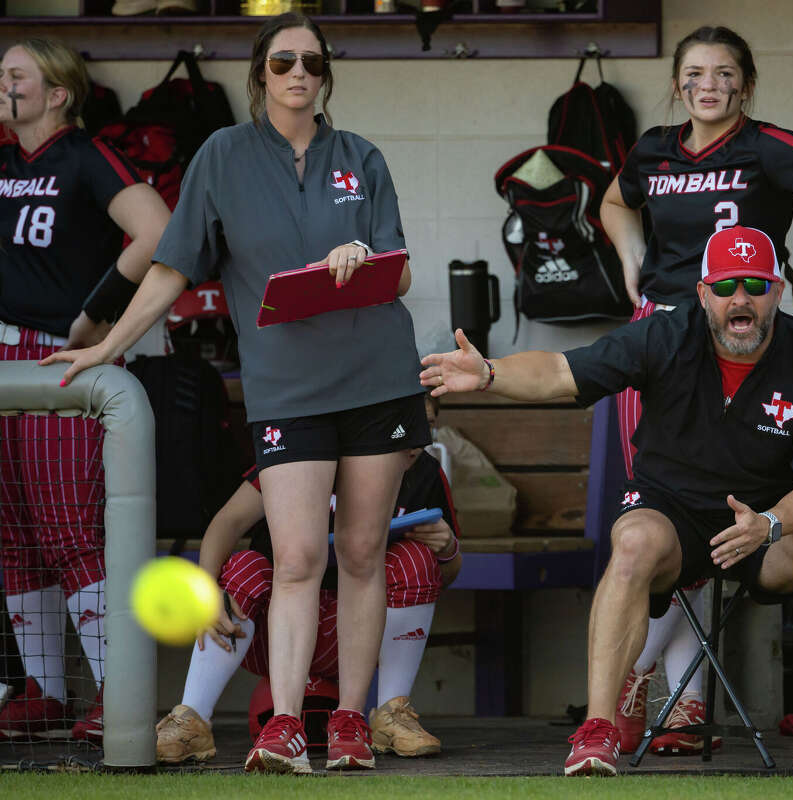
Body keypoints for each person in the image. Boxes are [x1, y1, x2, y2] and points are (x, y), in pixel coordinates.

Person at [44, 13, 426, 773]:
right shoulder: (221, 154)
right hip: (287, 387)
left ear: (325, 75)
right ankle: (285, 724)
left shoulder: (361, 156)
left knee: (361, 551)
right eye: (283, 61)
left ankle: (351, 720)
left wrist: (363, 254)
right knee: (297, 556)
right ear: (260, 73)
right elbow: (172, 266)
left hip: (378, 377)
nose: (299, 74)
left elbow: (402, 271)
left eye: (312, 62)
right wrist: (109, 345)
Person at [422, 225, 793, 780]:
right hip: (673, 517)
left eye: (754, 285)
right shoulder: (664, 335)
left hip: (766, 527)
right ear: (702, 294)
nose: (740, 299)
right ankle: (598, 729)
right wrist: (490, 373)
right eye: (725, 286)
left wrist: (769, 523)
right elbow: (561, 371)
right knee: (633, 541)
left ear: (778, 291)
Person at [599, 25, 793, 753]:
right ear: (677, 84)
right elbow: (615, 202)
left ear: (745, 83)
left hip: (741, 339)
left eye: (724, 73)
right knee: (664, 510)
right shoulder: (654, 149)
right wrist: (633, 259)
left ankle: (662, 688)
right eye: (694, 73)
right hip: (664, 343)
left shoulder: (765, 145)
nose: (708, 85)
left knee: (719, 504)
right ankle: (672, 697)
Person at [0, 37, 170, 743]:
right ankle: (45, 690)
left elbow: (156, 231)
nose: (2, 83)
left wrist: (96, 317)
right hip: (3, 355)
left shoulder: (86, 155)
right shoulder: (4, 159)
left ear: (57, 93)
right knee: (12, 532)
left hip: (59, 358)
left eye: (14, 75)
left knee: (71, 526)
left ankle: (117, 693)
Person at [156, 396, 461, 766]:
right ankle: (192, 718)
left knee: (416, 558)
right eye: (401, 423)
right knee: (245, 566)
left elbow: (441, 578)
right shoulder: (304, 453)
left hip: (358, 636)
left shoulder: (425, 470)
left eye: (423, 425)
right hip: (274, 629)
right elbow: (226, 523)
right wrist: (205, 590)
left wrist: (447, 549)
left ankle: (390, 714)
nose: (411, 437)